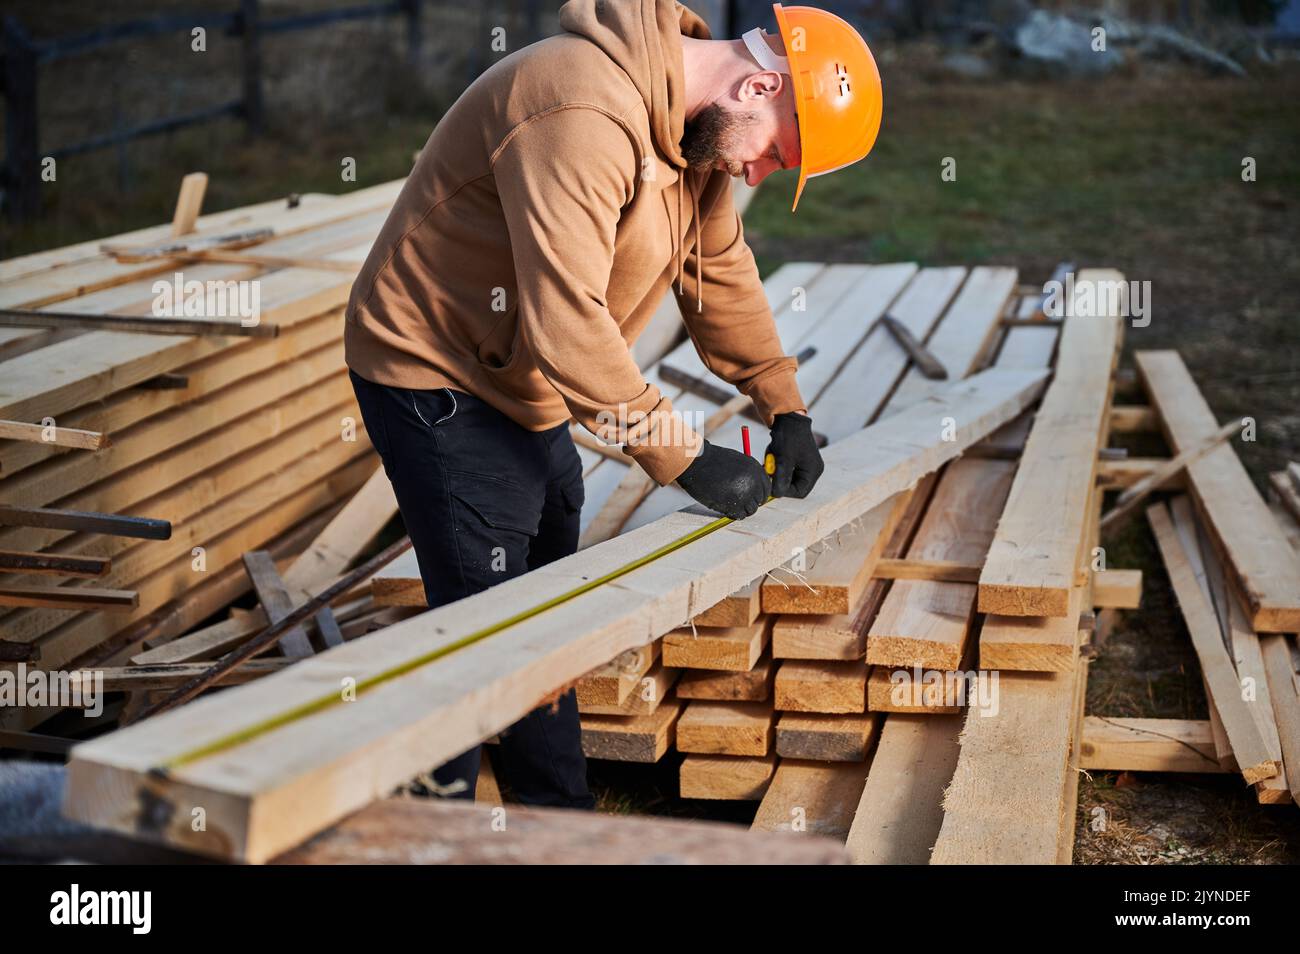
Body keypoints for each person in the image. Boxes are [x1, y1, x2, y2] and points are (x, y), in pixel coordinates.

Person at [344, 0, 883, 808]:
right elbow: (566, 326)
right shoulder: (580, 107)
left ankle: (555, 827)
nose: (756, 173)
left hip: (521, 381)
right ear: (763, 84)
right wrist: (685, 456)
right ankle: (425, 828)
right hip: (436, 374)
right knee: (480, 636)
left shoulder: (690, 128)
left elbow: (719, 270)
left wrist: (784, 406)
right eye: (777, 153)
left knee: (545, 618)